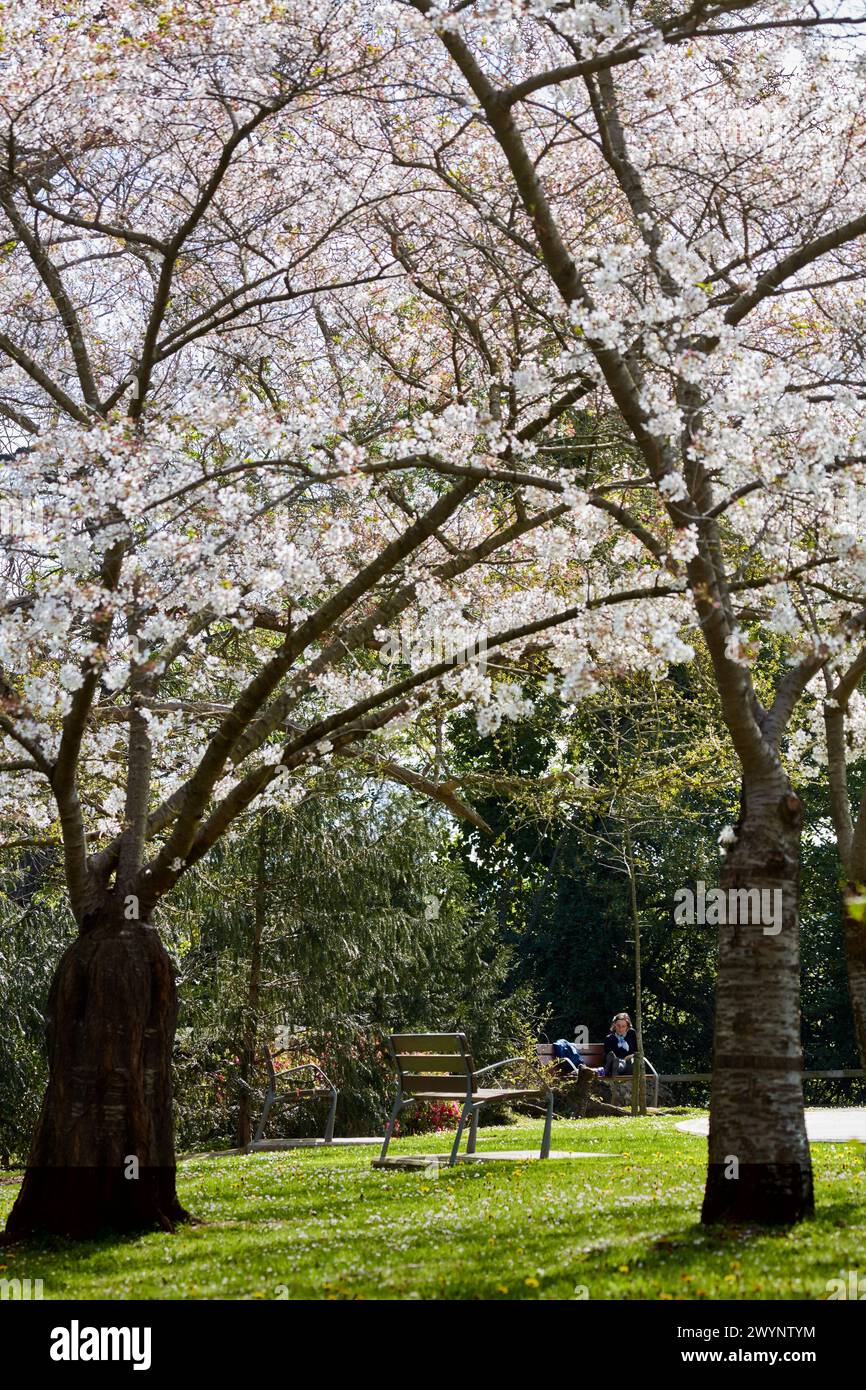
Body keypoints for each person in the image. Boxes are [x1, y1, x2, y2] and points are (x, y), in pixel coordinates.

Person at [599, 1012, 638, 1078]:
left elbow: (637, 1051)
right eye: (618, 1026)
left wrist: (629, 1057)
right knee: (616, 1061)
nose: (620, 1029)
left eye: (623, 1026)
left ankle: (616, 1068)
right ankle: (615, 1067)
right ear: (614, 1025)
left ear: (628, 1027)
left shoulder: (632, 1034)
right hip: (614, 1062)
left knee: (628, 1064)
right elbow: (606, 1056)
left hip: (629, 1061)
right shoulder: (609, 1038)